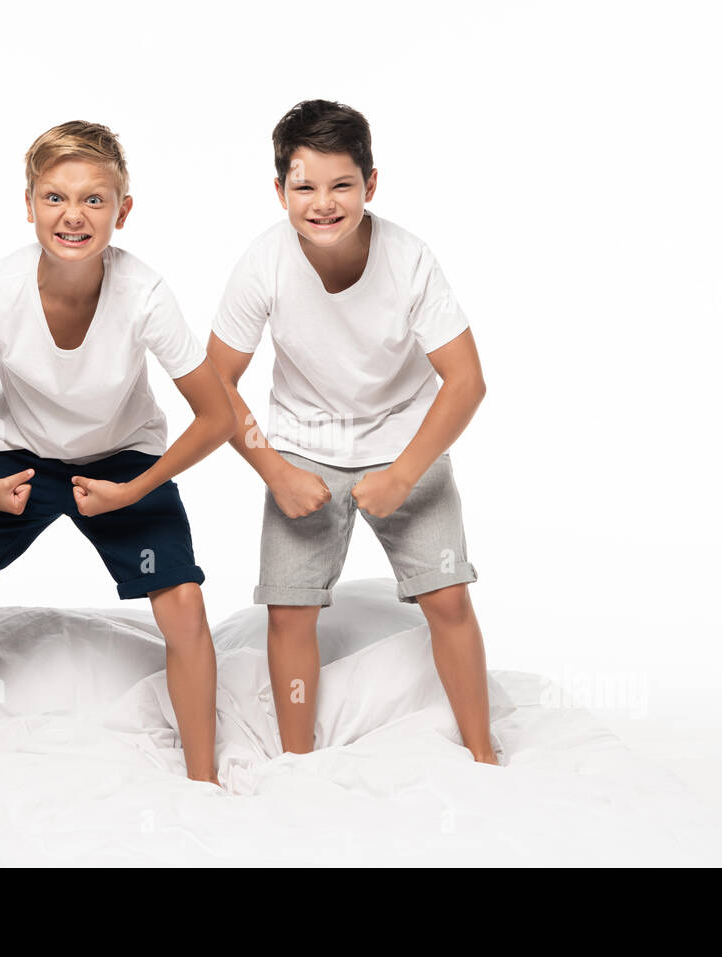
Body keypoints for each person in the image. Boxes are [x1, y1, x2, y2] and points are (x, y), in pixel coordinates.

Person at [0, 121, 235, 799]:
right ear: (30, 203)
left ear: (123, 210)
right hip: (19, 459)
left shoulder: (145, 294)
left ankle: (204, 778)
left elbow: (217, 416)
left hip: (123, 461)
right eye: (54, 197)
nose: (73, 215)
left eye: (94, 200)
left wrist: (137, 490)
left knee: (183, 601)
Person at [207, 99, 497, 763]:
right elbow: (215, 382)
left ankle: (485, 753)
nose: (324, 203)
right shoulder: (263, 261)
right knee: (289, 610)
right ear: (279, 190)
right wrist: (276, 472)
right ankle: (297, 761)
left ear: (371, 183)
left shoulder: (409, 258)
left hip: (405, 445)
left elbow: (465, 380)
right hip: (302, 451)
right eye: (304, 186)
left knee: (449, 597)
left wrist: (402, 473)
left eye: (342, 185)